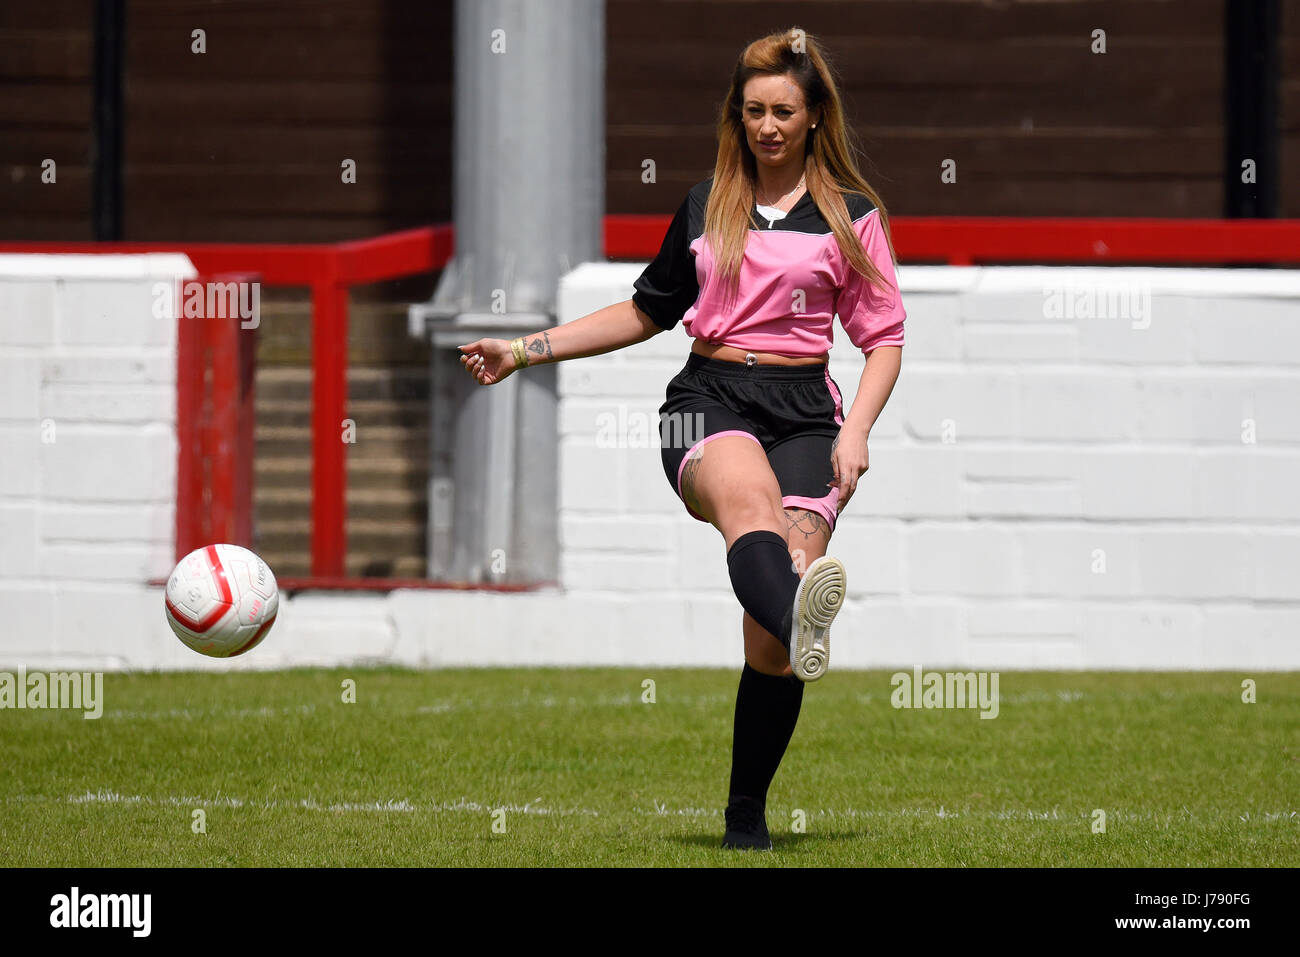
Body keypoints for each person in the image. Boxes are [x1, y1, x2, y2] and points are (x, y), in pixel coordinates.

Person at [456, 27, 904, 851]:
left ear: (813, 117)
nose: (768, 125)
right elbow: (643, 310)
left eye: (784, 111)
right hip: (707, 395)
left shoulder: (855, 217)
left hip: (808, 408)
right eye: (754, 109)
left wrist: (861, 431)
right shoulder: (705, 205)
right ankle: (801, 610)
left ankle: (746, 815)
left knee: (770, 645)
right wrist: (523, 349)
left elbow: (884, 338)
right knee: (751, 506)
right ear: (739, 115)